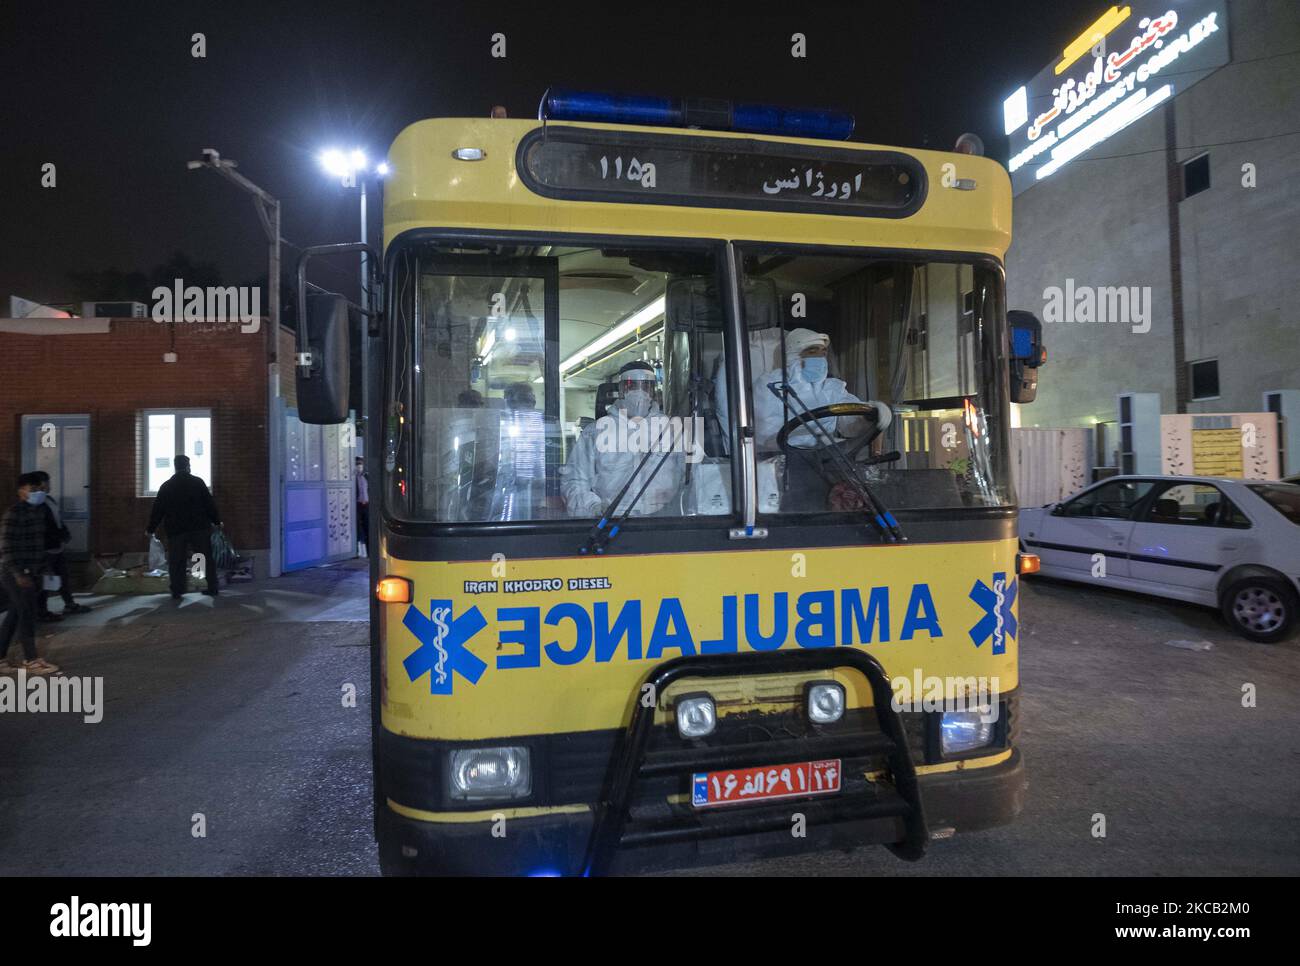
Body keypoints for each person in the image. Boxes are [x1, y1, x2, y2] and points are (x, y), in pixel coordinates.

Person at [560, 360, 684, 518]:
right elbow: (574, 480)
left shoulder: (671, 430)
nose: (640, 393)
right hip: (610, 523)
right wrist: (594, 508)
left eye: (646, 386)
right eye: (631, 386)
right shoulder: (595, 432)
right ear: (620, 390)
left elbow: (687, 478)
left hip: (662, 524)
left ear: (654, 391)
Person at [752, 328, 890, 451]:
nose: (819, 358)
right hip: (779, 465)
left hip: (824, 462)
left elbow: (850, 421)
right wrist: (816, 441)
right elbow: (764, 434)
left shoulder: (831, 388)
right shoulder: (769, 386)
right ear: (794, 355)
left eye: (823, 352)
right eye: (812, 351)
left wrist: (869, 415)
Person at [0, 473, 60, 674]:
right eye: (32, 490)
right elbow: (6, 548)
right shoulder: (14, 513)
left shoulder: (38, 512)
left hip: (32, 572)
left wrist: (44, 568)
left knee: (15, 615)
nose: (38, 493)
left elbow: (38, 546)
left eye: (39, 489)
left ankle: (1, 658)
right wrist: (18, 574)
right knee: (26, 614)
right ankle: (30, 659)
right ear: (21, 492)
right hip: (16, 574)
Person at [146, 455, 221, 599]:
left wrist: (150, 529)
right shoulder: (198, 483)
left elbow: (157, 510)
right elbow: (209, 504)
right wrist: (217, 521)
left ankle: (177, 590)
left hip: (176, 530)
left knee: (176, 561)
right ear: (188, 466)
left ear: (175, 467)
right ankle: (212, 587)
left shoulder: (167, 486)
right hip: (199, 528)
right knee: (205, 558)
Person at [32, 471, 91, 620]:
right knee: (47, 580)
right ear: (41, 484)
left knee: (63, 576)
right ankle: (41, 610)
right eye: (47, 481)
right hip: (47, 548)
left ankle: (69, 604)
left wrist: (64, 533)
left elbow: (58, 520)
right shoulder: (37, 504)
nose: (49, 484)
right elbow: (44, 526)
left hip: (57, 547)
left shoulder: (49, 500)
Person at [355, 456, 369, 555]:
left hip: (367, 505)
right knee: (358, 529)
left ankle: (369, 553)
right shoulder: (353, 478)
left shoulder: (367, 476)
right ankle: (356, 552)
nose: (359, 465)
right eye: (357, 464)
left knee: (368, 528)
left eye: (360, 463)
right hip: (358, 505)